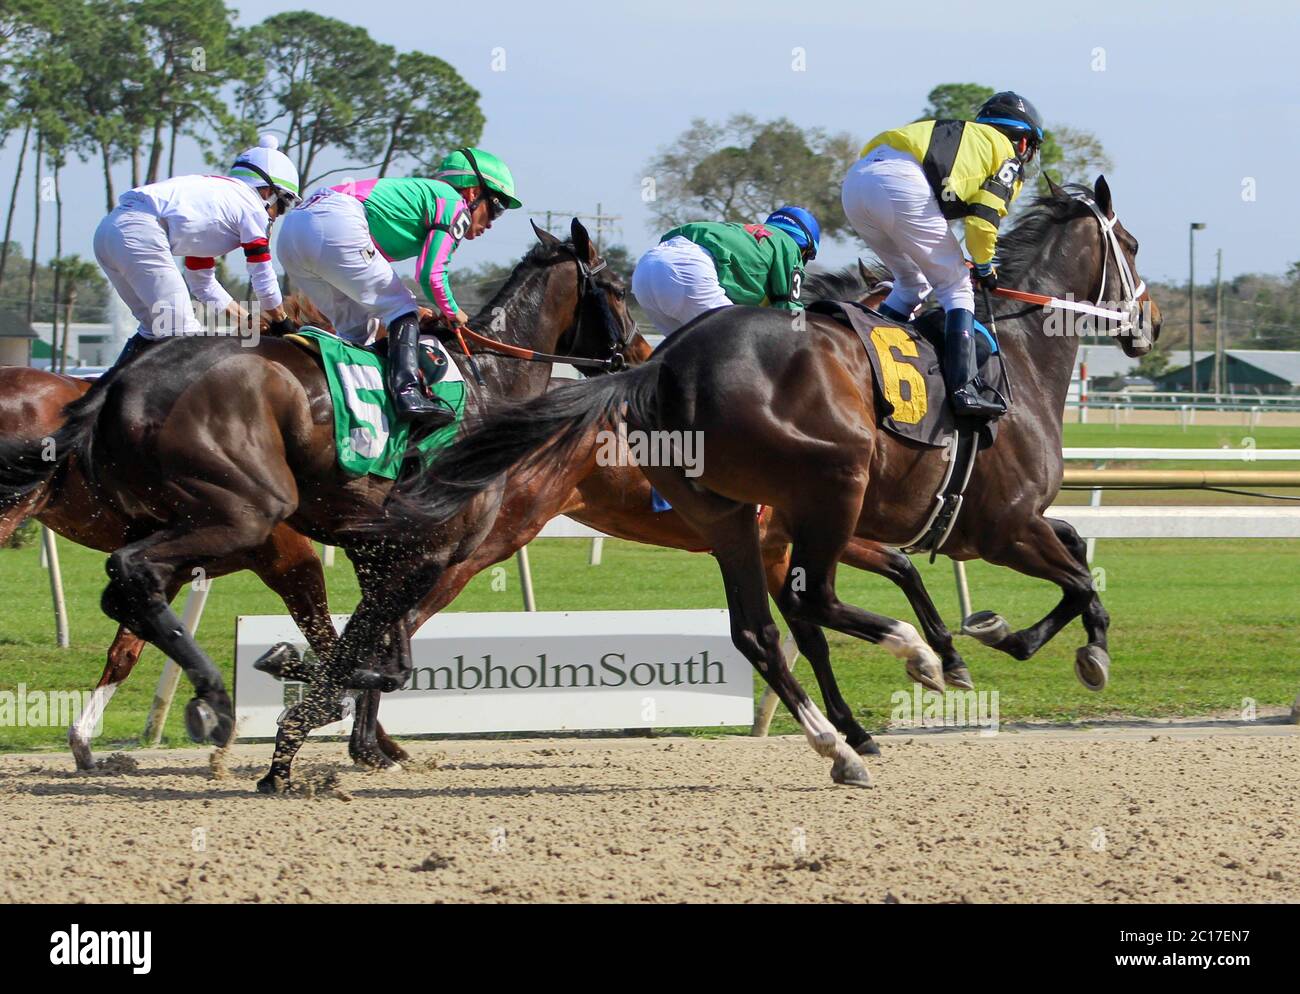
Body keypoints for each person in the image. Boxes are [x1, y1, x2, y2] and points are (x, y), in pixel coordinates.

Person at [277, 147, 521, 426]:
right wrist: (452, 311)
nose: (491, 223)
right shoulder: (455, 204)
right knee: (401, 307)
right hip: (334, 223)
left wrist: (416, 309)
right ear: (473, 193)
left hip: (292, 234)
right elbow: (431, 273)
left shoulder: (426, 197)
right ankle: (407, 395)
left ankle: (343, 407)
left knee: (359, 332)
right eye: (497, 208)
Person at [842, 91, 1044, 418]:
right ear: (1023, 144)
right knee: (958, 286)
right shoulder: (1007, 154)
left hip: (856, 184)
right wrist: (984, 266)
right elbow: (983, 219)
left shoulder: (967, 135)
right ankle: (964, 388)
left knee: (912, 284)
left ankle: (869, 357)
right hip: (901, 185)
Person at [93, 134, 299, 368]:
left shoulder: (221, 201)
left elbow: (202, 284)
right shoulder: (252, 207)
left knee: (154, 329)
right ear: (267, 194)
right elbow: (262, 275)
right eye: (277, 210)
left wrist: (247, 319)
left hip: (108, 231)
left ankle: (105, 393)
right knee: (186, 336)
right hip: (140, 233)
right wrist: (282, 322)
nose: (273, 218)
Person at [631, 206, 819, 335]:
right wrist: (805, 338)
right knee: (739, 346)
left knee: (677, 359)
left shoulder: (748, 238)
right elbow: (790, 311)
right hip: (688, 271)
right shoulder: (789, 245)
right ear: (805, 247)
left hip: (645, 270)